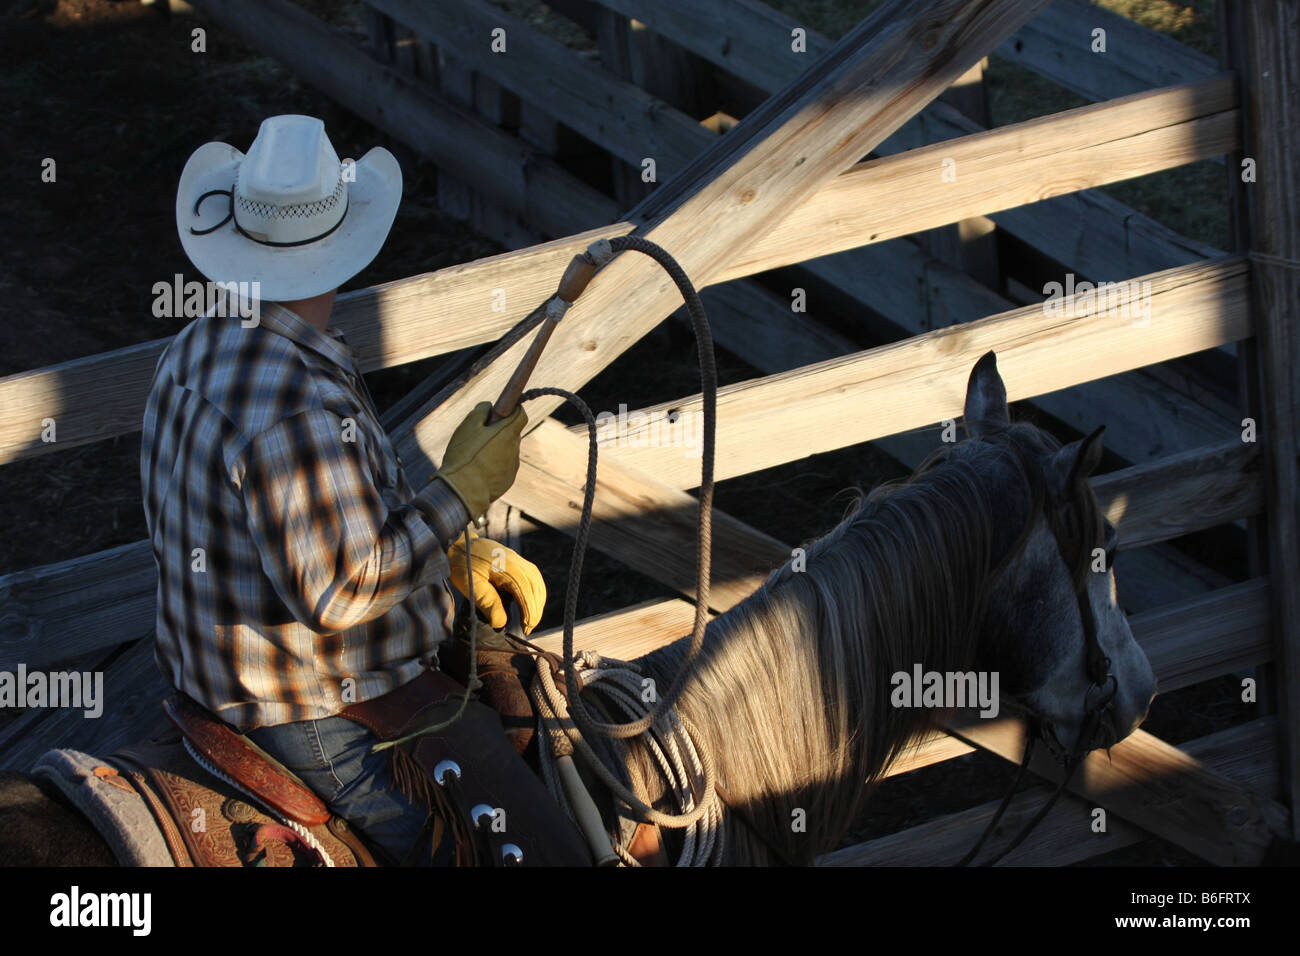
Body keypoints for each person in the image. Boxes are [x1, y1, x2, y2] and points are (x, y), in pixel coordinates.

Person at [142, 114, 545, 864]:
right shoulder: (294, 402)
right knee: (510, 848)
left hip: (223, 680)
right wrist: (457, 498)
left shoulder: (198, 343)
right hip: (312, 709)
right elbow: (338, 592)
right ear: (340, 249)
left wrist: (441, 551)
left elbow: (309, 525)